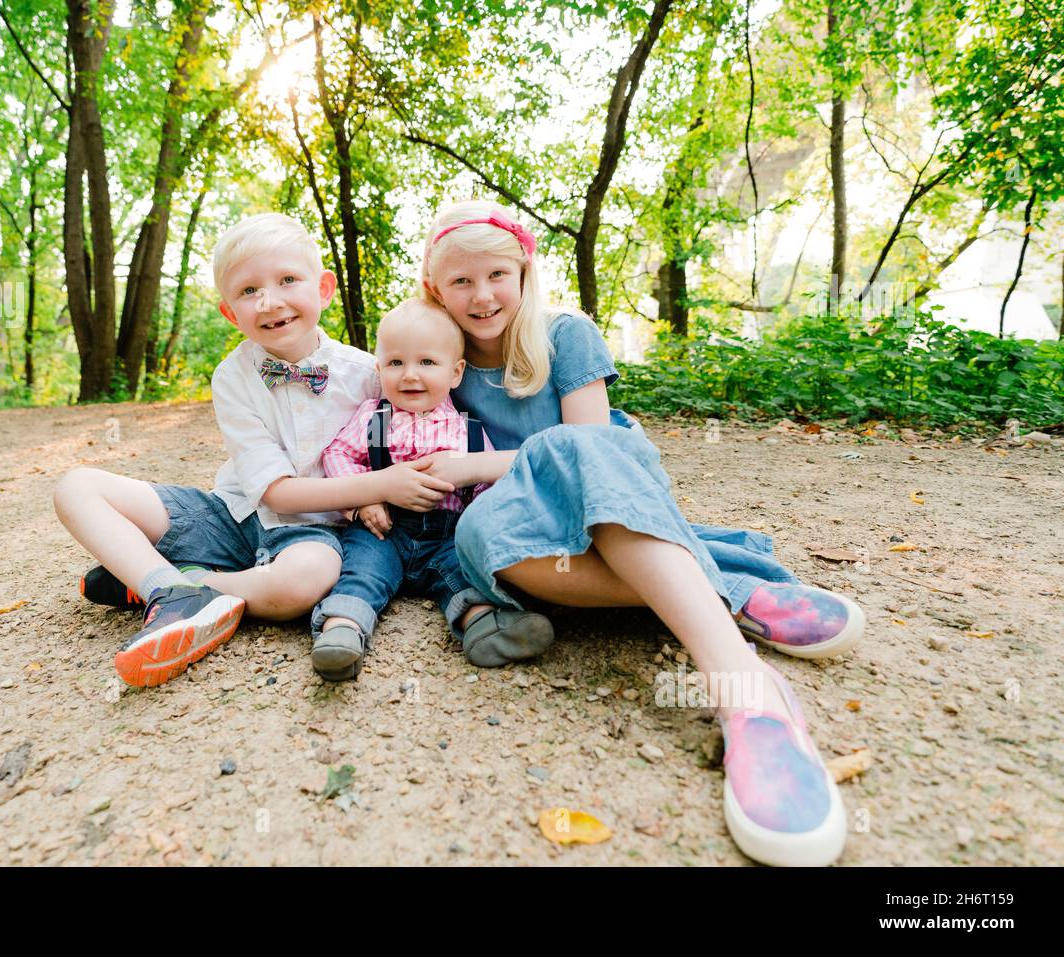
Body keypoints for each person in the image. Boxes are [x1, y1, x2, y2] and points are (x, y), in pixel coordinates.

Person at [410, 199, 866, 866]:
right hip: (532, 538)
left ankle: (747, 689)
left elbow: (589, 448)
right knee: (478, 528)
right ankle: (729, 587)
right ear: (434, 289)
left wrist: (472, 464)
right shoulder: (431, 357)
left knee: (569, 451)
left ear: (525, 270)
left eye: (497, 274)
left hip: (612, 502)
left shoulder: (565, 335)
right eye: (461, 282)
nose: (482, 296)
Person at [54, 213, 456, 688]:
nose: (270, 301)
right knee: (76, 486)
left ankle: (175, 586)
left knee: (306, 581)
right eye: (248, 291)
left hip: (311, 535)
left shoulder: (369, 371)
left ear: (323, 289)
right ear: (230, 313)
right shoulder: (232, 375)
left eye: (288, 279)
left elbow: (418, 429)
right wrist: (381, 485)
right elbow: (277, 494)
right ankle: (164, 587)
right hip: (233, 515)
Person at [307, 298, 553, 680]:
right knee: (362, 570)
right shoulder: (374, 416)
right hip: (382, 529)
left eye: (426, 362)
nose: (409, 375)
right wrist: (362, 500)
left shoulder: (468, 429)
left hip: (446, 534)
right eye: (395, 363)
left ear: (455, 373)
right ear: (379, 368)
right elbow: (338, 454)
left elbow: (488, 483)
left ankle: (482, 624)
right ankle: (342, 630)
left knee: (461, 574)